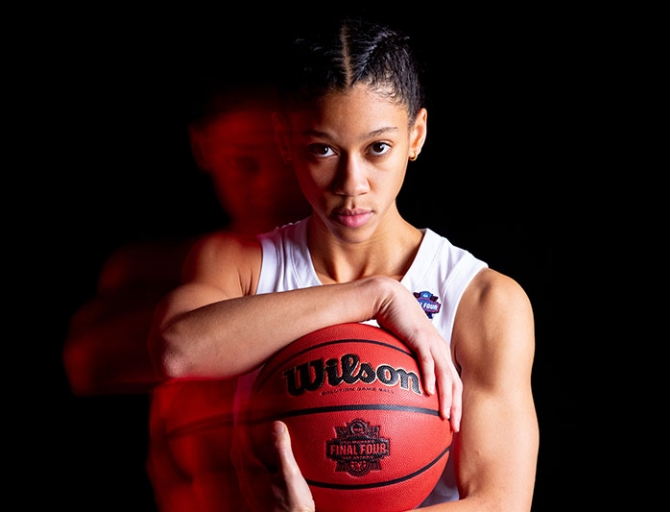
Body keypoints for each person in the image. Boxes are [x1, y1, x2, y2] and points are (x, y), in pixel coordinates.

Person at [149, 16, 539, 511]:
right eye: (323, 150)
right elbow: (175, 350)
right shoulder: (239, 264)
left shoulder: (482, 300)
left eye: (378, 148)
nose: (351, 182)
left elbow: (501, 503)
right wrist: (374, 295)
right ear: (286, 139)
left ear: (416, 136)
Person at [62, 79, 310, 511]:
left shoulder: (365, 268)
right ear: (202, 148)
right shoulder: (158, 270)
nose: (271, 186)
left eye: (287, 160)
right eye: (245, 163)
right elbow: (87, 359)